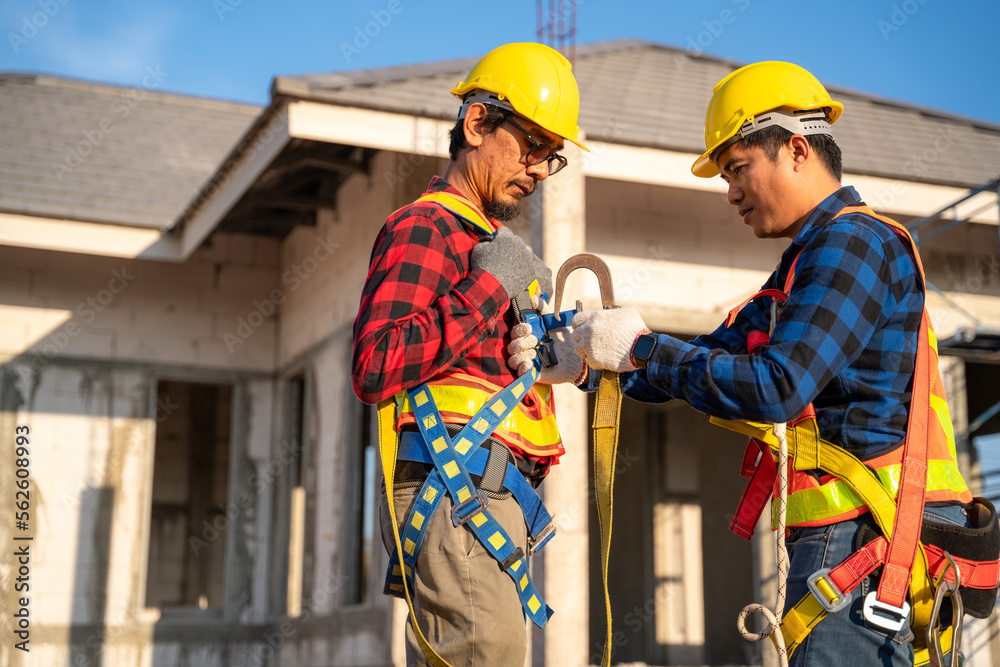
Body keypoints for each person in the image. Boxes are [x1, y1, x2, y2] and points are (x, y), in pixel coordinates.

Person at [519, 61, 977, 664]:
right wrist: (589, 362)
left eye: (738, 168)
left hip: (866, 545)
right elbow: (710, 360)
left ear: (794, 149)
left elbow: (775, 386)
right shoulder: (804, 265)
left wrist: (640, 349)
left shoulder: (853, 243)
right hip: (865, 546)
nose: (730, 191)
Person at [351, 42, 587, 666]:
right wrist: (489, 286)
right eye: (532, 146)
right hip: (455, 493)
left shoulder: (488, 244)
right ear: (478, 123)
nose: (539, 170)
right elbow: (375, 363)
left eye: (552, 157)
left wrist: (558, 355)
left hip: (487, 500)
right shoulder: (425, 227)